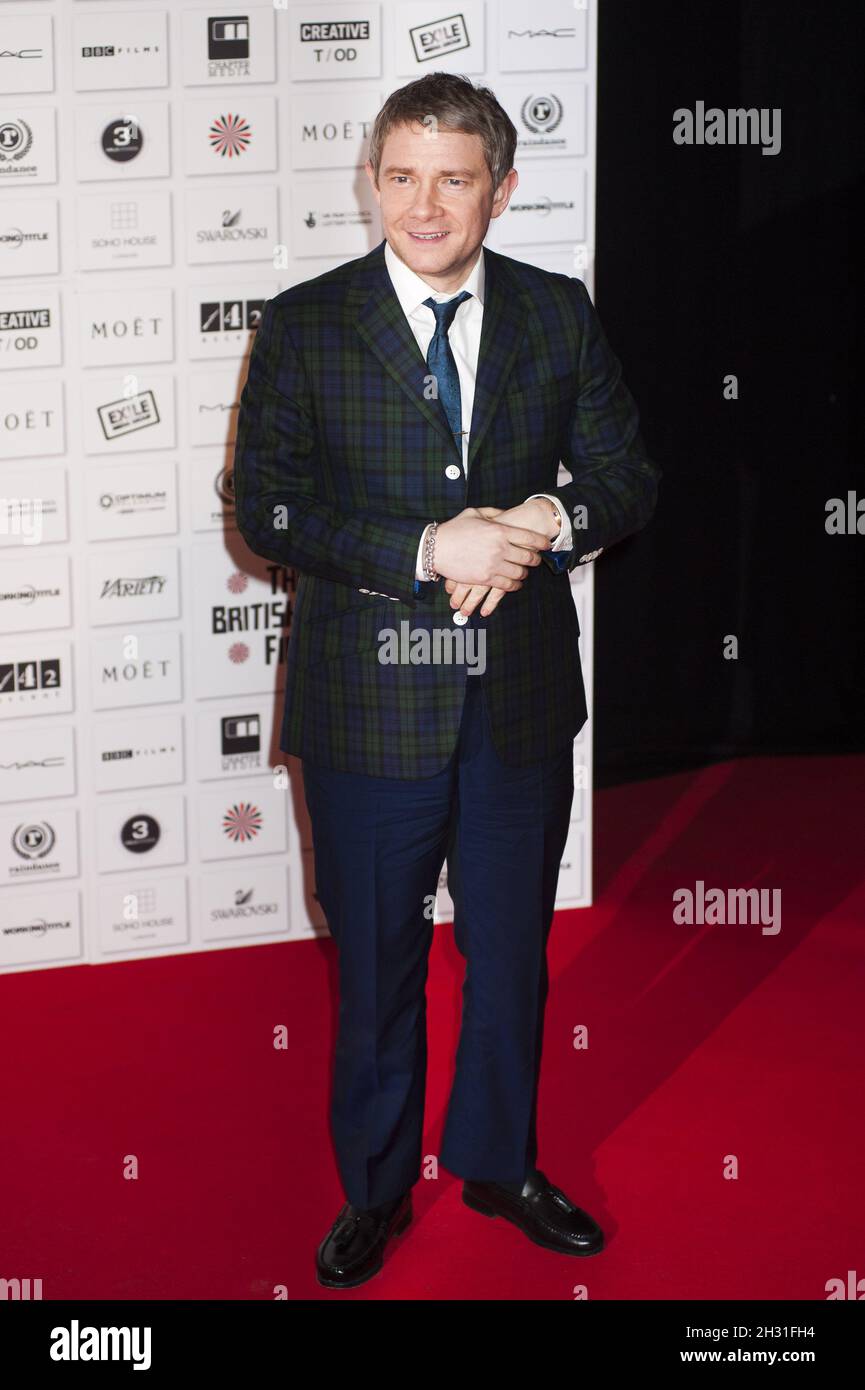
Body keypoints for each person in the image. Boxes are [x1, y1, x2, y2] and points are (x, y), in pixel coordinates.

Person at [233, 71, 660, 1290]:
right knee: (375, 961)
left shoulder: (556, 312)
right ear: (372, 180)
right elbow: (265, 509)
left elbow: (628, 478)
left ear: (500, 189)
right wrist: (428, 549)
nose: (427, 204)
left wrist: (543, 515)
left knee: (512, 950)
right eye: (403, 175)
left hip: (516, 701)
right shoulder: (309, 321)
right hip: (369, 702)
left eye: (455, 178)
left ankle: (494, 1159)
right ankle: (374, 1187)